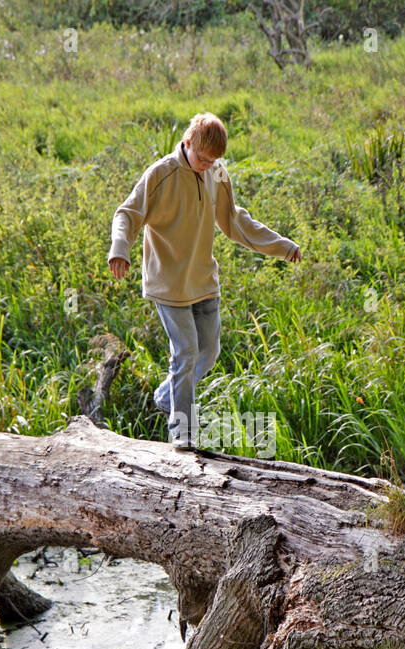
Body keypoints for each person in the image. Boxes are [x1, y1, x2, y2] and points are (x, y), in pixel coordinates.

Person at [108, 112, 301, 451]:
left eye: (213, 160)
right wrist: (119, 248)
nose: (207, 165)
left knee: (208, 351)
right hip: (168, 285)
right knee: (185, 353)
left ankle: (166, 396)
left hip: (203, 281)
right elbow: (127, 213)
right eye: (202, 158)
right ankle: (182, 432)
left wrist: (282, 246)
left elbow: (235, 222)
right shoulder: (160, 175)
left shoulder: (216, 173)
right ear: (188, 142)